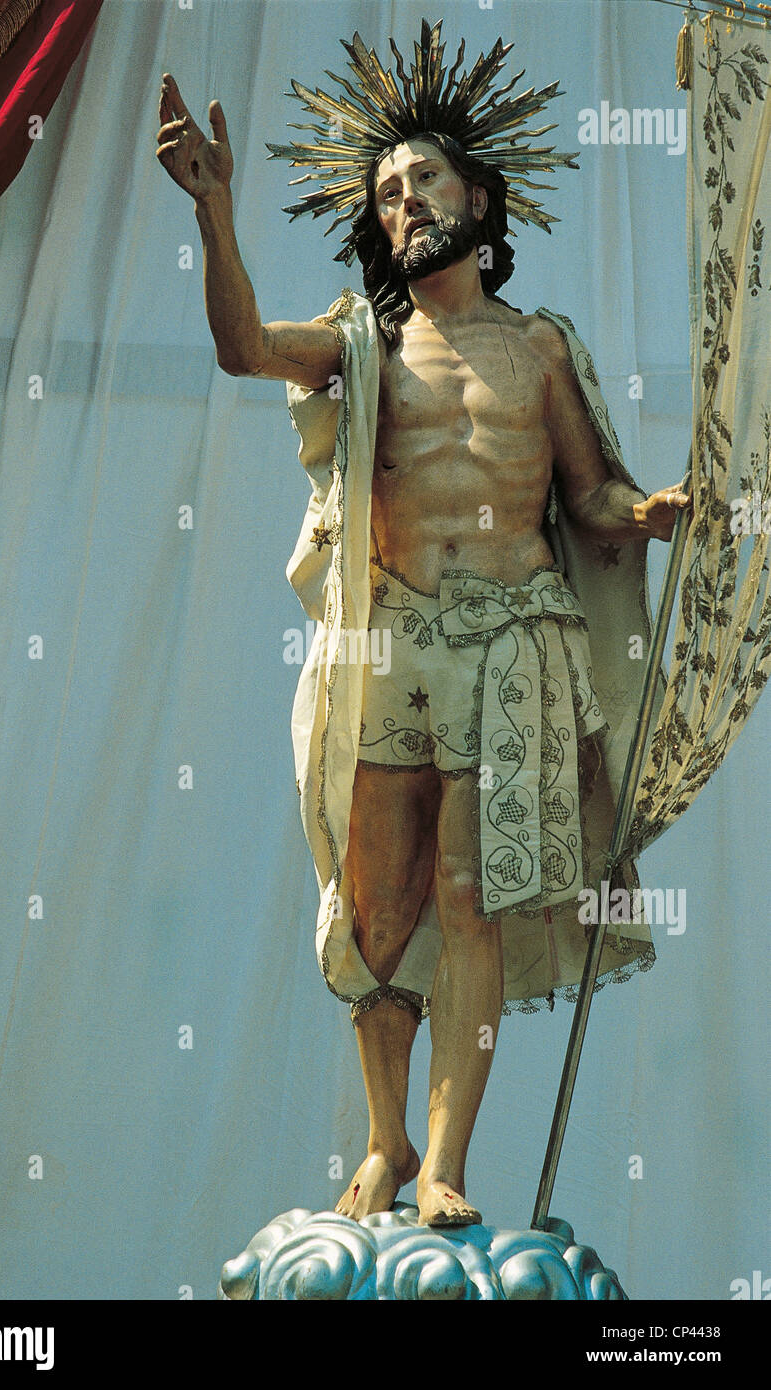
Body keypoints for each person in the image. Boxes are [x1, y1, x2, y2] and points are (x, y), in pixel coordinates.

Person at [156, 28, 690, 1229]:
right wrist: (214, 214)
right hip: (393, 643)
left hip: (509, 644)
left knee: (470, 902)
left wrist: (644, 510)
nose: (403, 207)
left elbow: (586, 494)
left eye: (424, 184)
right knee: (373, 904)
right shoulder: (364, 344)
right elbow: (242, 350)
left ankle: (445, 1161)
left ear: (480, 197)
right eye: (386, 194)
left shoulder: (540, 346)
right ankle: (384, 1143)